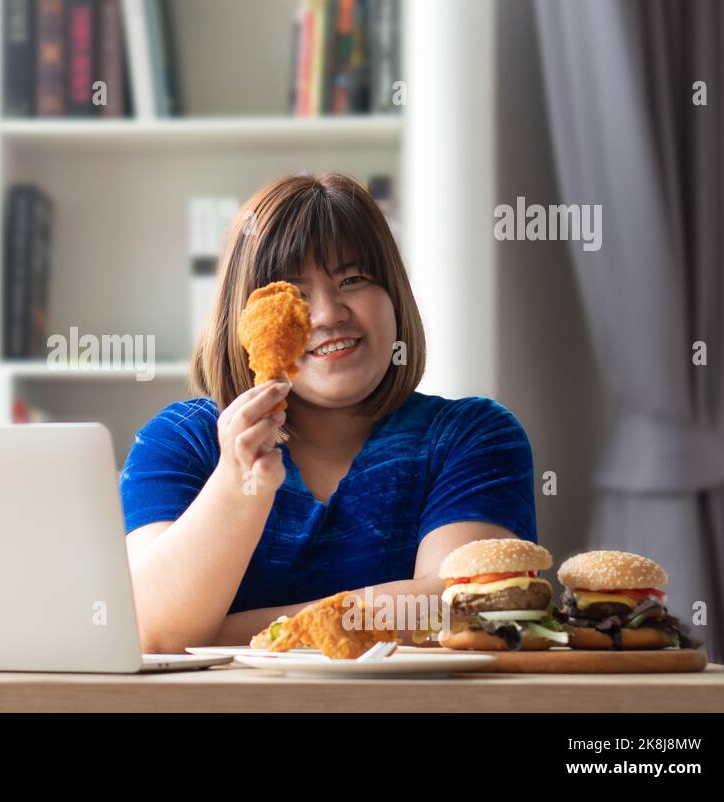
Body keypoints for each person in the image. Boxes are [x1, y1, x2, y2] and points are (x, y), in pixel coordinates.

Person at [120, 173, 537, 653]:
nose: (327, 313)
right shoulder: (180, 441)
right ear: (244, 322)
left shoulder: (473, 437)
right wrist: (239, 484)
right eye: (292, 294)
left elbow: (459, 605)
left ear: (394, 295)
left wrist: (219, 632)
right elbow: (153, 628)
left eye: (353, 279)